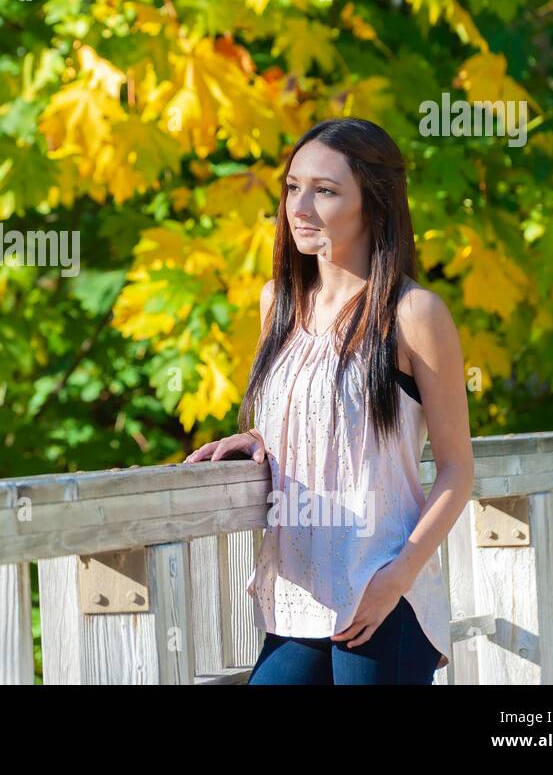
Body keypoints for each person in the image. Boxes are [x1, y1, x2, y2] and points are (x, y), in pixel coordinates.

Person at [185, 118, 475, 684]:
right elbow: (315, 418)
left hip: (383, 594)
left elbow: (457, 470)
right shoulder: (279, 303)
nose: (300, 207)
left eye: (326, 190)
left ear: (376, 201)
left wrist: (397, 579)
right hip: (298, 595)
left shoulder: (414, 315)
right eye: (293, 187)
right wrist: (259, 440)